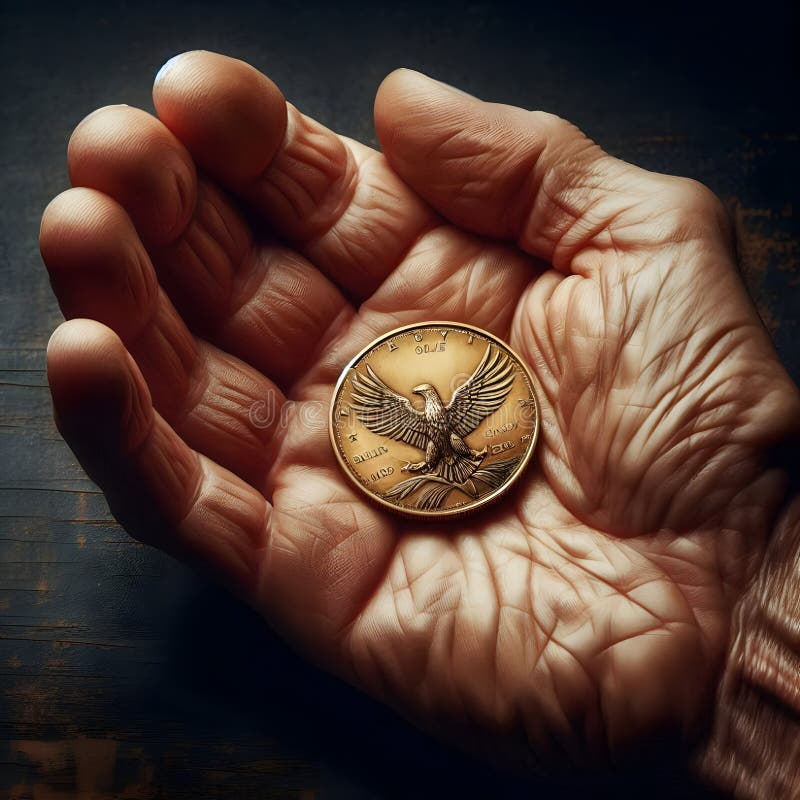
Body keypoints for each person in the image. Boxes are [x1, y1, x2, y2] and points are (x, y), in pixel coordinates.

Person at [39, 51, 799, 796]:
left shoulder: (463, 407)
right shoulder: (403, 413)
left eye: (439, 405)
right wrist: (740, 663)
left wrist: (754, 589)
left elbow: (482, 391)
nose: (435, 408)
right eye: (432, 406)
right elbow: (400, 411)